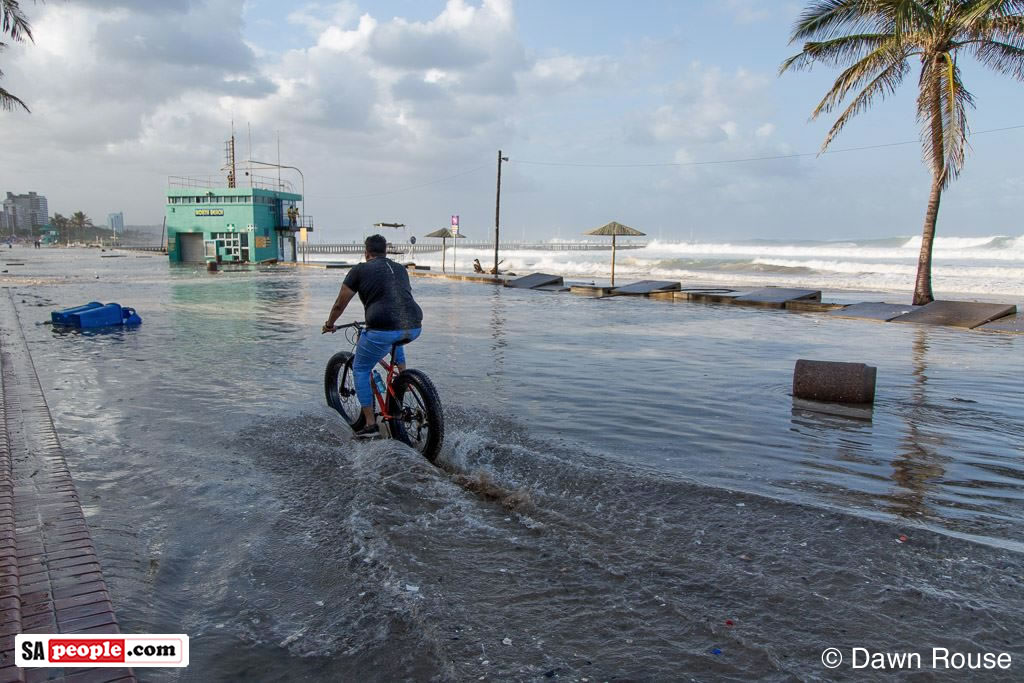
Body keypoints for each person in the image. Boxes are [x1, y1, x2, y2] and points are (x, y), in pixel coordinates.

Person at [322, 234, 423, 438]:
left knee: (360, 368)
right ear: (386, 251)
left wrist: (330, 324)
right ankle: (403, 379)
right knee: (395, 335)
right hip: (414, 326)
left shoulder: (359, 270)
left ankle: (370, 424)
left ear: (366, 252)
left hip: (382, 328)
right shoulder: (400, 269)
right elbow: (397, 300)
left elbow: (340, 304)